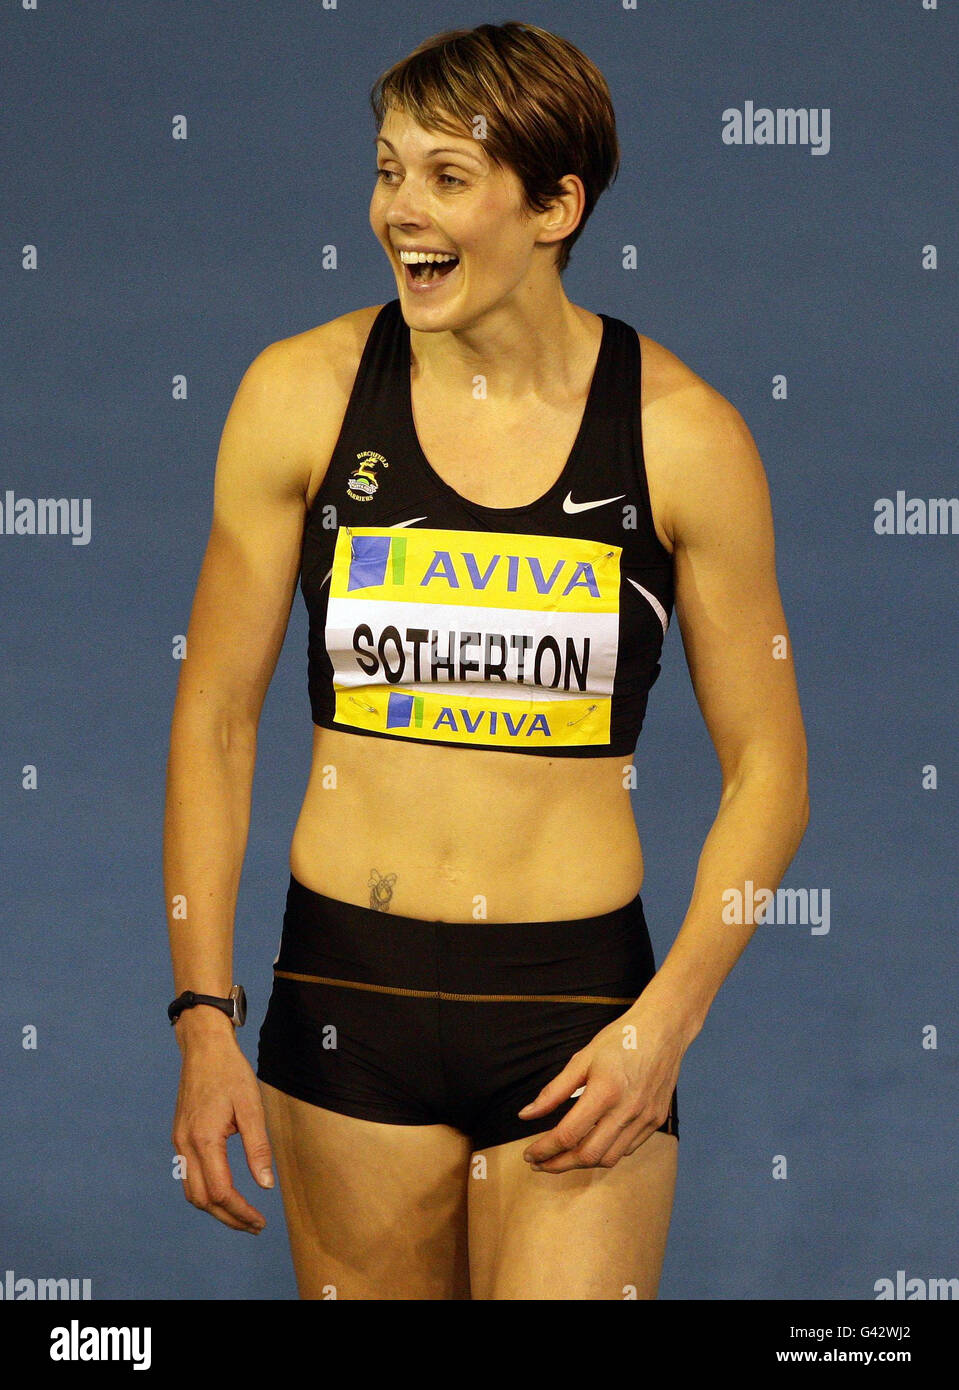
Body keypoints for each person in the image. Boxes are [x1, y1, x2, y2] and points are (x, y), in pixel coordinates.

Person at [164, 21, 808, 1301]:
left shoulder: (683, 439)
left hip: (577, 1016)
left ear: (557, 205)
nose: (401, 210)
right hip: (345, 994)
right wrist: (201, 1017)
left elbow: (771, 772)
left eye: (447, 178)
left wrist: (663, 1027)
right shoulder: (298, 397)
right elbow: (215, 725)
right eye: (389, 169)